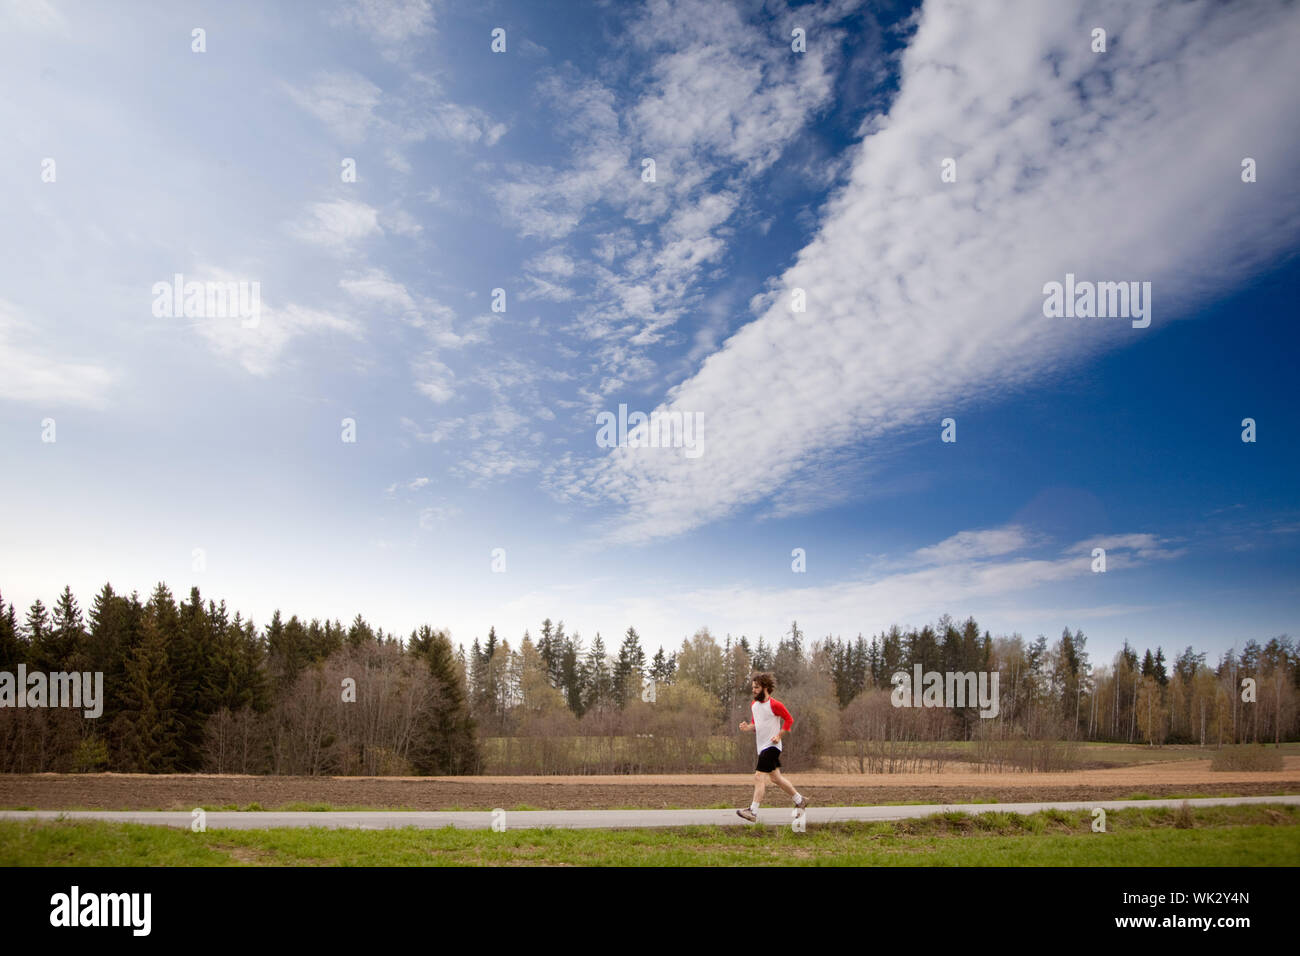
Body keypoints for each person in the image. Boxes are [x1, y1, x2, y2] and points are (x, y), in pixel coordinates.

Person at [736, 672, 808, 822]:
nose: (754, 690)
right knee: (776, 778)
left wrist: (779, 735)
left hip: (772, 746)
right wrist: (747, 727)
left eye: (756, 687)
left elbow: (789, 719)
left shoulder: (775, 705)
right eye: (753, 687)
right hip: (762, 747)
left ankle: (753, 812)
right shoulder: (754, 705)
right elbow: (756, 725)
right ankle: (800, 800)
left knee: (758, 776)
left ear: (766, 688)